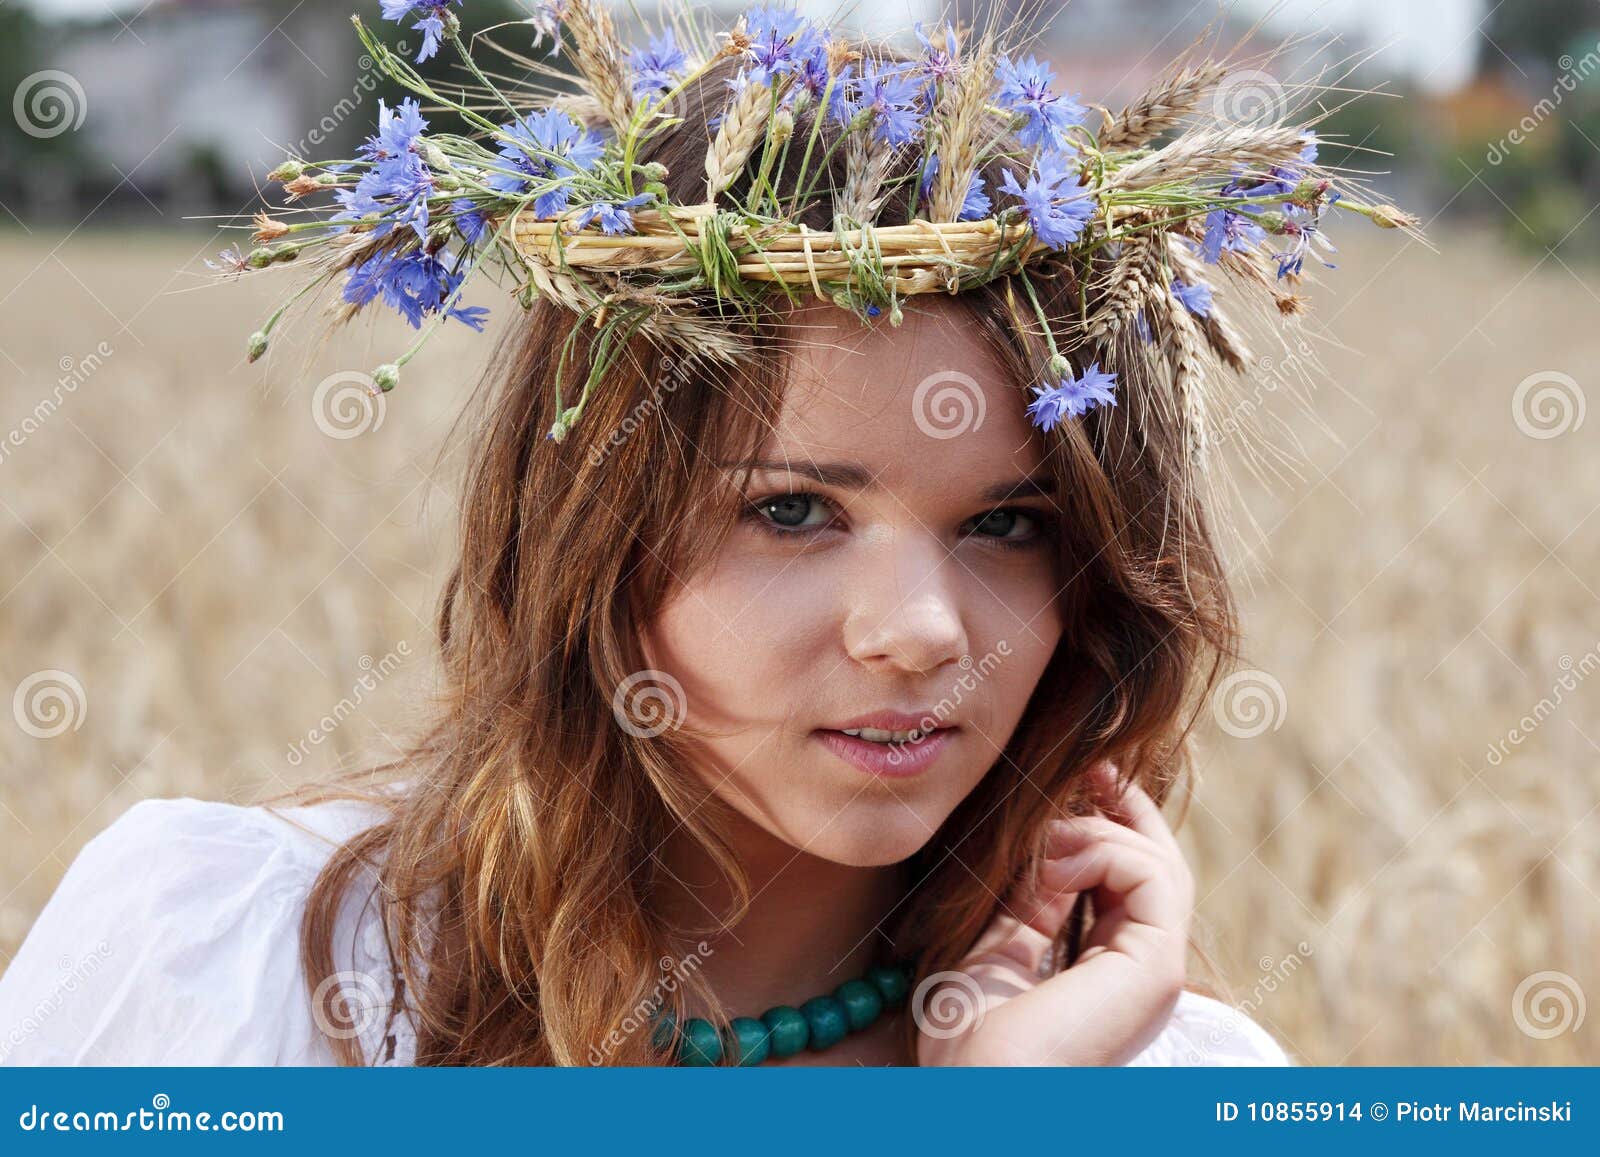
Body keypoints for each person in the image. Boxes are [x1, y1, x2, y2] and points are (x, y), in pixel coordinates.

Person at [3, 0, 1410, 1067]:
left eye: (1011, 523)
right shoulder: (223, 972)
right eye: (792, 509)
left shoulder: (1153, 1072)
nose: (920, 630)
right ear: (589, 531)